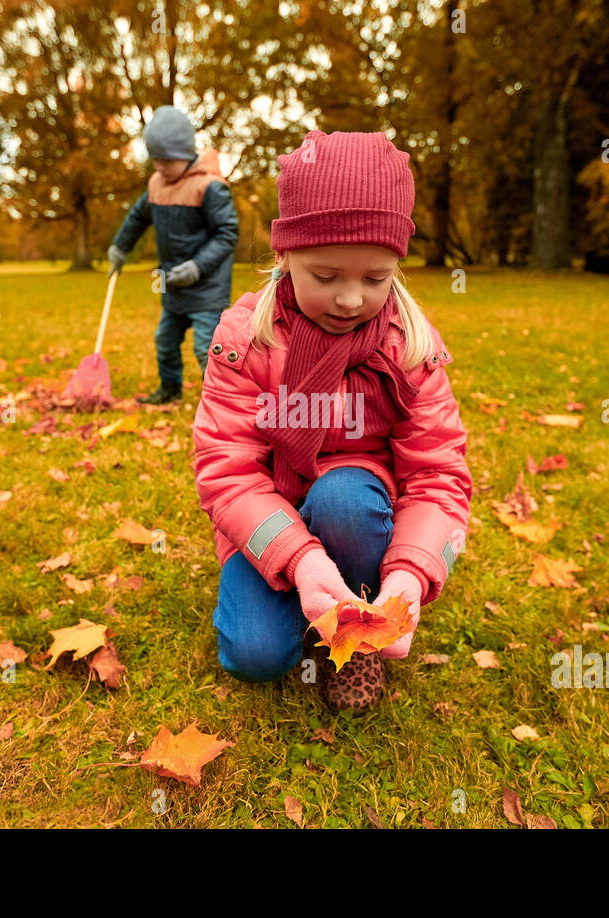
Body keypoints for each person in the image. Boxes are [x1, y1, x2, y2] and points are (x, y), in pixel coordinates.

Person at [192, 129, 472, 713]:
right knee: (256, 656)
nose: (350, 299)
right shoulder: (247, 342)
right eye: (325, 276)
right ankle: (308, 603)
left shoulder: (409, 348)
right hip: (273, 520)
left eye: (375, 279)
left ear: (397, 265)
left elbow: (440, 478)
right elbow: (228, 473)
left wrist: (413, 575)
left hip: (359, 518)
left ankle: (359, 620)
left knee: (346, 494)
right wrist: (300, 558)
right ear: (283, 255)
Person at [107, 105, 238, 405]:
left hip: (207, 287)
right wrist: (120, 247)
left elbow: (227, 234)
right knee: (165, 341)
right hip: (173, 285)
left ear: (186, 153)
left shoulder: (210, 187)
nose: (160, 167)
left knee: (207, 347)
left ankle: (224, 403)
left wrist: (196, 266)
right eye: (155, 159)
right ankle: (169, 389)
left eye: (167, 160)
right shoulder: (156, 185)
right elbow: (137, 218)